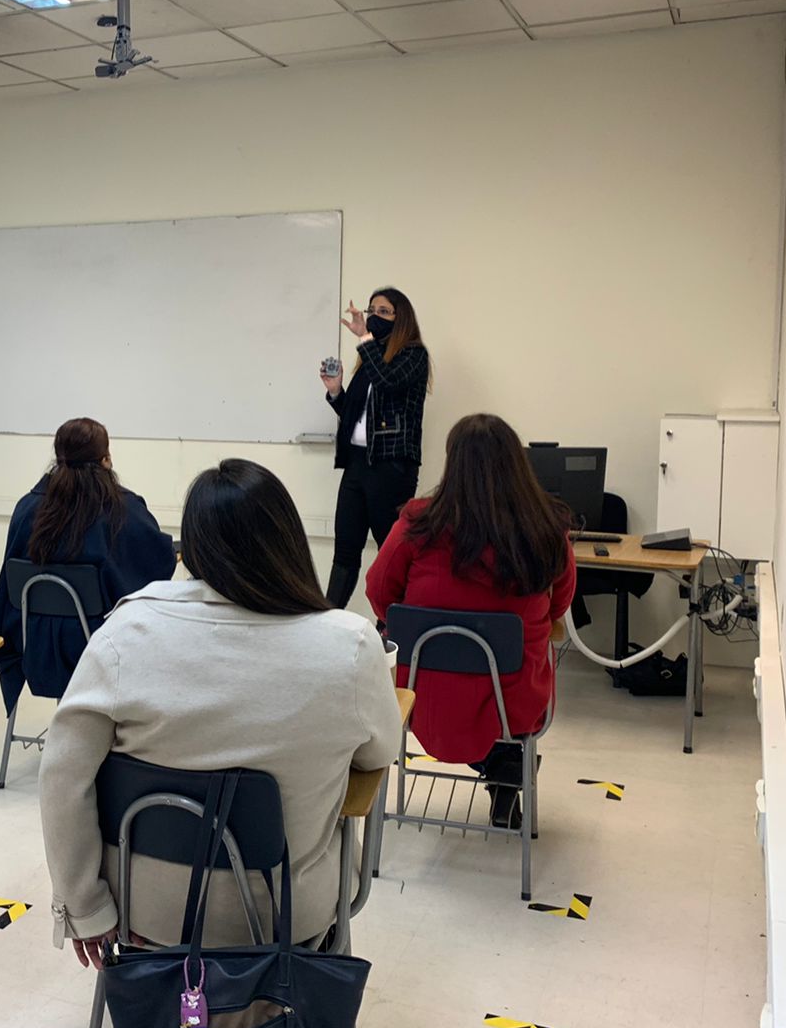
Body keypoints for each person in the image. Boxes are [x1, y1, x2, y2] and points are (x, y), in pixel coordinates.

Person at [40, 459, 401, 963]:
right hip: (285, 917)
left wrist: (85, 908)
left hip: (144, 911)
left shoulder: (126, 630)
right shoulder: (348, 644)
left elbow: (61, 774)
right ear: (289, 540)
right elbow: (379, 752)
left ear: (191, 547)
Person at [365, 413, 575, 828]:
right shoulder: (547, 528)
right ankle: (505, 761)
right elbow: (559, 605)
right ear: (518, 464)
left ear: (451, 463)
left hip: (422, 700)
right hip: (513, 704)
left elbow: (378, 592)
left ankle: (501, 763)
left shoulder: (417, 522)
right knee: (516, 681)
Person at [0, 418, 176, 717]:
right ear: (106, 459)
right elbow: (156, 565)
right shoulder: (122, 509)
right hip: (100, 647)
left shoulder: (27, 508)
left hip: (34, 644)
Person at [320, 287, 432, 609]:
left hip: (391, 467)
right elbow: (357, 417)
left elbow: (388, 382)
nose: (373, 317)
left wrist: (365, 338)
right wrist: (337, 391)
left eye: (383, 312)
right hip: (357, 465)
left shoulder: (413, 355)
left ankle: (392, 629)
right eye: (371, 311)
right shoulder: (369, 358)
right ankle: (328, 621)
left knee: (391, 553)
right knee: (345, 551)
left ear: (401, 318)